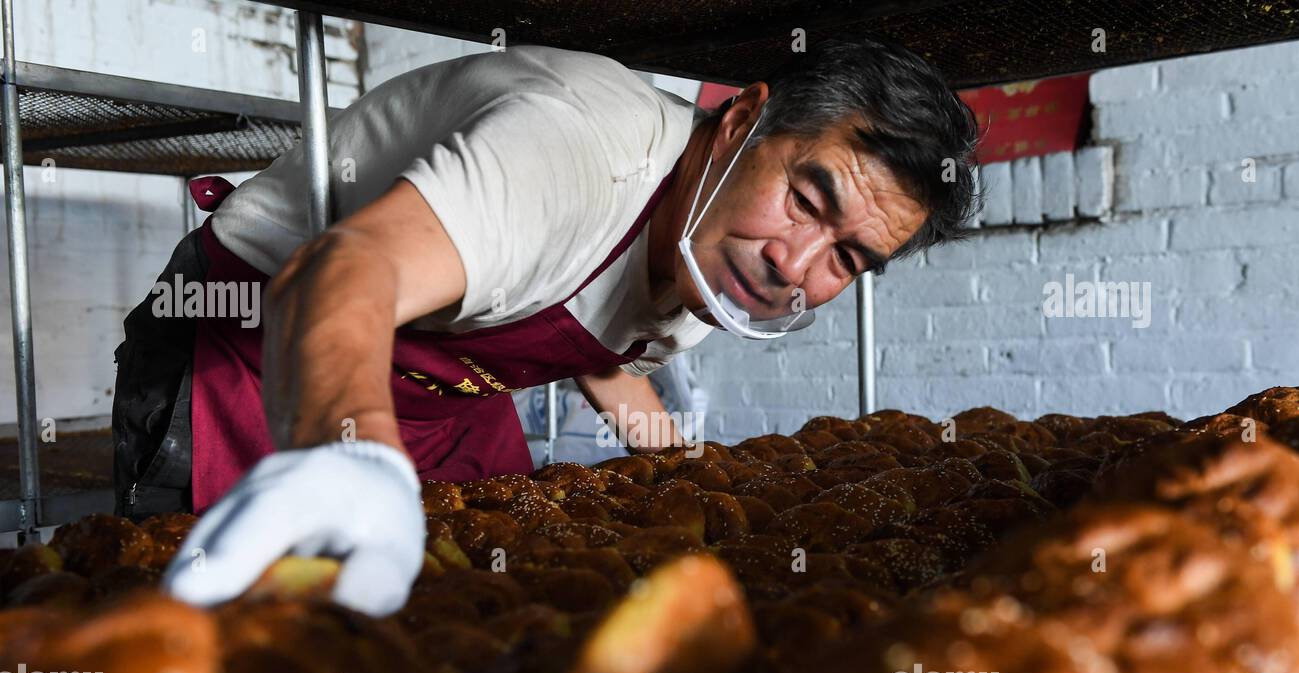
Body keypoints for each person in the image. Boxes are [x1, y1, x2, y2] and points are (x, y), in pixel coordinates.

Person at [110, 36, 980, 615]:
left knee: (481, 602)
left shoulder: (719, 247)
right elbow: (343, 272)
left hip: (442, 388)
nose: (795, 264)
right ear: (743, 123)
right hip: (261, 337)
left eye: (849, 258)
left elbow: (593, 336)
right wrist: (351, 454)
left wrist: (706, 487)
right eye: (805, 198)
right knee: (236, 618)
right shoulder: (574, 155)